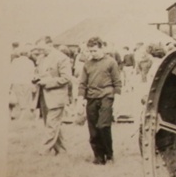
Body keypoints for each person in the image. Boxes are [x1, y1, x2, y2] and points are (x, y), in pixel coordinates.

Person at [78, 37, 122, 165]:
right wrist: (81, 99)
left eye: (95, 50)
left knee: (103, 126)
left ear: (102, 48)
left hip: (106, 97)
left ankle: (109, 155)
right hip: (91, 98)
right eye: (90, 51)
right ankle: (98, 156)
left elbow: (117, 83)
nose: (92, 53)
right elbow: (82, 84)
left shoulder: (111, 62)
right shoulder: (87, 64)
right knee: (93, 130)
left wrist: (117, 100)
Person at [30, 37, 72, 155]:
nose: (39, 50)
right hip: (43, 96)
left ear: (50, 44)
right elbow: (39, 73)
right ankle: (63, 151)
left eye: (42, 47)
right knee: (52, 124)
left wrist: (47, 82)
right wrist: (36, 77)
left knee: (51, 125)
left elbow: (66, 78)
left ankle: (43, 151)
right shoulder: (41, 58)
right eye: (38, 48)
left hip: (56, 97)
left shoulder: (62, 58)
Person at [9, 47, 36, 120]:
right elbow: (32, 74)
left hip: (16, 82)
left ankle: (13, 113)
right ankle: (22, 116)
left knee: (16, 99)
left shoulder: (15, 61)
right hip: (26, 82)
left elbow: (11, 72)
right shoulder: (30, 62)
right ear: (27, 54)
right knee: (25, 99)